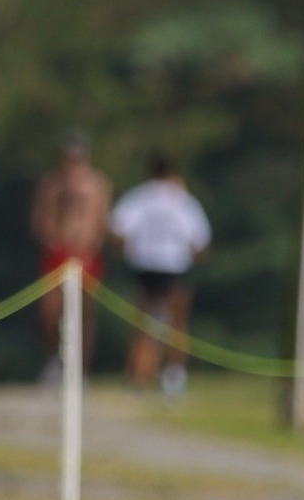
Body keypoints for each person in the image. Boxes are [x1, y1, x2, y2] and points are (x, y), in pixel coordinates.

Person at [109, 154, 212, 395]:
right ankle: (173, 374)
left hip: (145, 266)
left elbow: (117, 229)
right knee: (177, 323)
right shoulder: (182, 199)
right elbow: (200, 240)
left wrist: (125, 252)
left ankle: (138, 375)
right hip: (174, 266)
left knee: (145, 323)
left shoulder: (139, 196)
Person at [30, 132, 111, 382]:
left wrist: (89, 245)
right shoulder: (52, 185)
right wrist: (52, 239)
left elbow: (102, 220)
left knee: (85, 313)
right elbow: (40, 220)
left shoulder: (97, 184)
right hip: (58, 252)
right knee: (50, 311)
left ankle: (81, 368)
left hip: (86, 254)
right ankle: (56, 358)